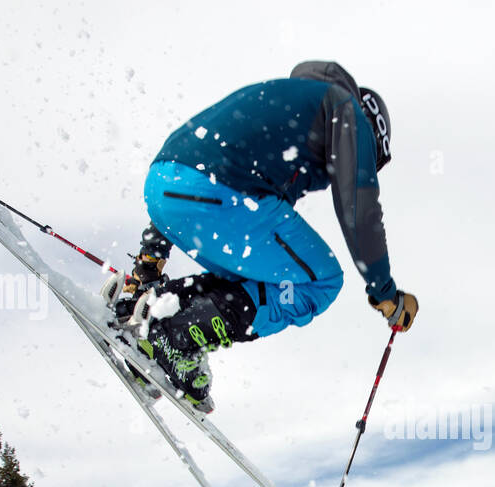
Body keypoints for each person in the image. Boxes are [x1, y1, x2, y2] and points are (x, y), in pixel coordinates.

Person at [102, 60, 418, 412]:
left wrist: (144, 272)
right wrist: (384, 292)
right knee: (321, 282)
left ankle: (147, 307)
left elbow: (192, 171)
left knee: (263, 275)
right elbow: (358, 205)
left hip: (162, 185)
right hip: (217, 193)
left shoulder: (284, 110)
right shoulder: (347, 111)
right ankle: (175, 338)